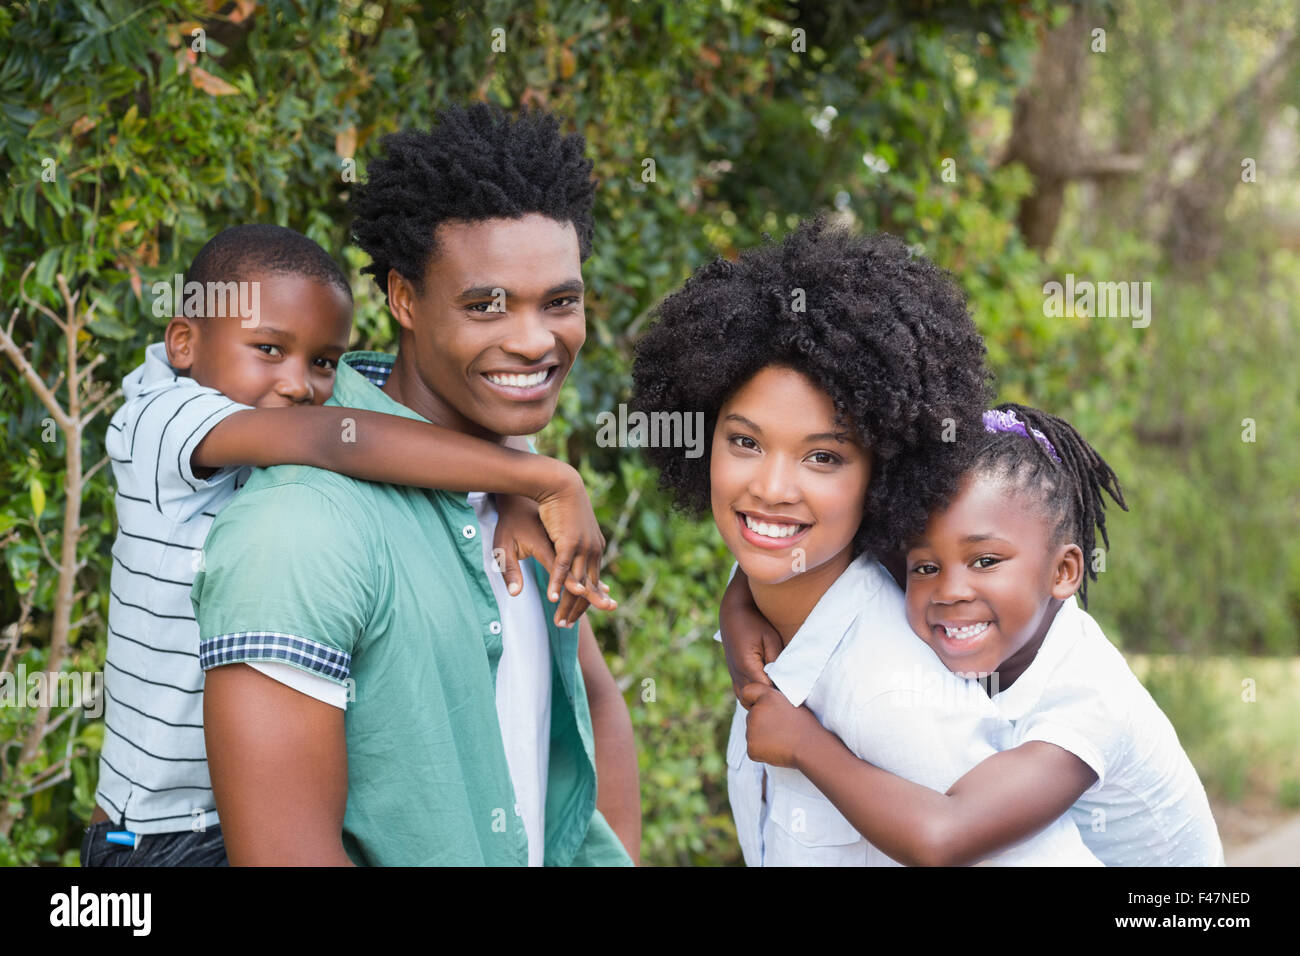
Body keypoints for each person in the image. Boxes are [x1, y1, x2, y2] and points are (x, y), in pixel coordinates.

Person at [83, 223, 613, 867]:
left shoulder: (275, 416)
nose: (298, 383)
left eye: (322, 361)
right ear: (185, 342)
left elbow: (378, 402)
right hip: (163, 836)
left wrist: (507, 478)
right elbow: (337, 436)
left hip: (231, 812)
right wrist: (542, 479)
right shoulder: (158, 416)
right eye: (268, 349)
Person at [193, 104, 640, 866]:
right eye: (485, 305)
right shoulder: (300, 528)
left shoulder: (522, 491)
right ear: (403, 299)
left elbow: (591, 701)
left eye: (560, 302)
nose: (535, 340)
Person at [632, 218, 1098, 865]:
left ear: (884, 474)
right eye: (745, 441)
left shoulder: (887, 685)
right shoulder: (778, 620)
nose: (770, 487)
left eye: (822, 458)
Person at [738, 403, 1225, 866]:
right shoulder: (1015, 621)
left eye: (986, 561)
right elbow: (819, 548)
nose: (949, 591)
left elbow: (944, 837)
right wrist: (738, 606)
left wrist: (804, 745)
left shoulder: (1090, 701)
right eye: (925, 566)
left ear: (1064, 571)